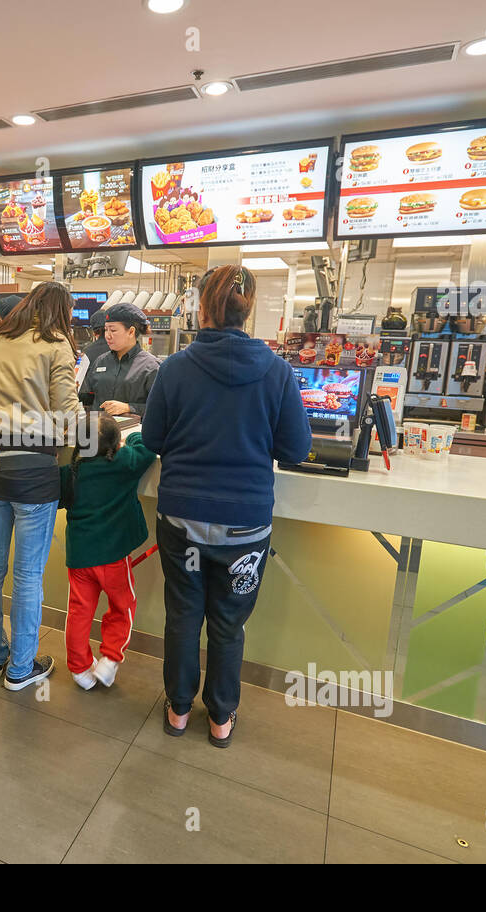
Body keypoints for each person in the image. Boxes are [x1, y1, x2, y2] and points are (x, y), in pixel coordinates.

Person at [141, 265, 312, 748]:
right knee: (228, 624)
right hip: (245, 526)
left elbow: (152, 438)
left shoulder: (174, 367)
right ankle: (220, 718)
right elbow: (296, 450)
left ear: (202, 309)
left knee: (183, 616)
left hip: (182, 519)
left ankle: (177, 710)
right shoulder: (278, 371)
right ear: (249, 310)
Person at [0, 282, 83, 691]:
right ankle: (21, 668)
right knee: (28, 573)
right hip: (33, 469)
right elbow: (68, 417)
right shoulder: (55, 344)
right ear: (61, 312)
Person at [59, 412, 156, 690]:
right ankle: (110, 659)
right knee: (122, 605)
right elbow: (147, 447)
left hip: (79, 557)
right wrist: (132, 436)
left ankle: (80, 669)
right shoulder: (124, 463)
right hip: (114, 558)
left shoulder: (71, 472)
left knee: (79, 612)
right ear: (115, 445)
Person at [79, 302, 160, 417]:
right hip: (98, 431)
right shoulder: (101, 361)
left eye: (113, 330)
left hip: (132, 433)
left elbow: (160, 408)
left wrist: (128, 407)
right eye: (106, 329)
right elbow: (88, 398)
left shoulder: (151, 367)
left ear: (131, 332)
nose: (107, 335)